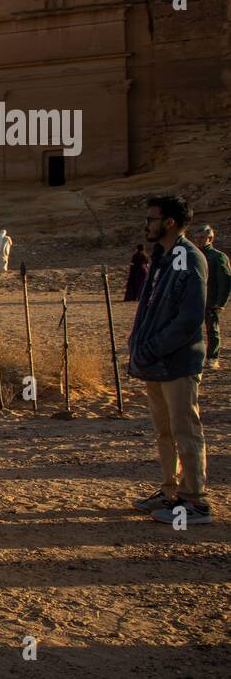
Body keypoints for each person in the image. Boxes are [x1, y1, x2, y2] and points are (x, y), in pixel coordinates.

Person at [130, 196, 211, 525]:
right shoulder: (163, 258)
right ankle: (170, 490)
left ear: (171, 222)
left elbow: (189, 317)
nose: (147, 224)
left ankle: (196, 501)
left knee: (185, 430)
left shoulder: (190, 258)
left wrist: (153, 347)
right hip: (155, 361)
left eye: (152, 218)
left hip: (176, 362)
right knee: (165, 432)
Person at [190, 224, 229, 370]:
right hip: (193, 300)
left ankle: (213, 358)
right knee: (191, 329)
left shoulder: (218, 257)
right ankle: (196, 357)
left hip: (211, 300)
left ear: (210, 238)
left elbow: (225, 282)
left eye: (202, 238)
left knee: (212, 330)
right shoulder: (192, 256)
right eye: (196, 238)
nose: (198, 241)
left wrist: (221, 302)